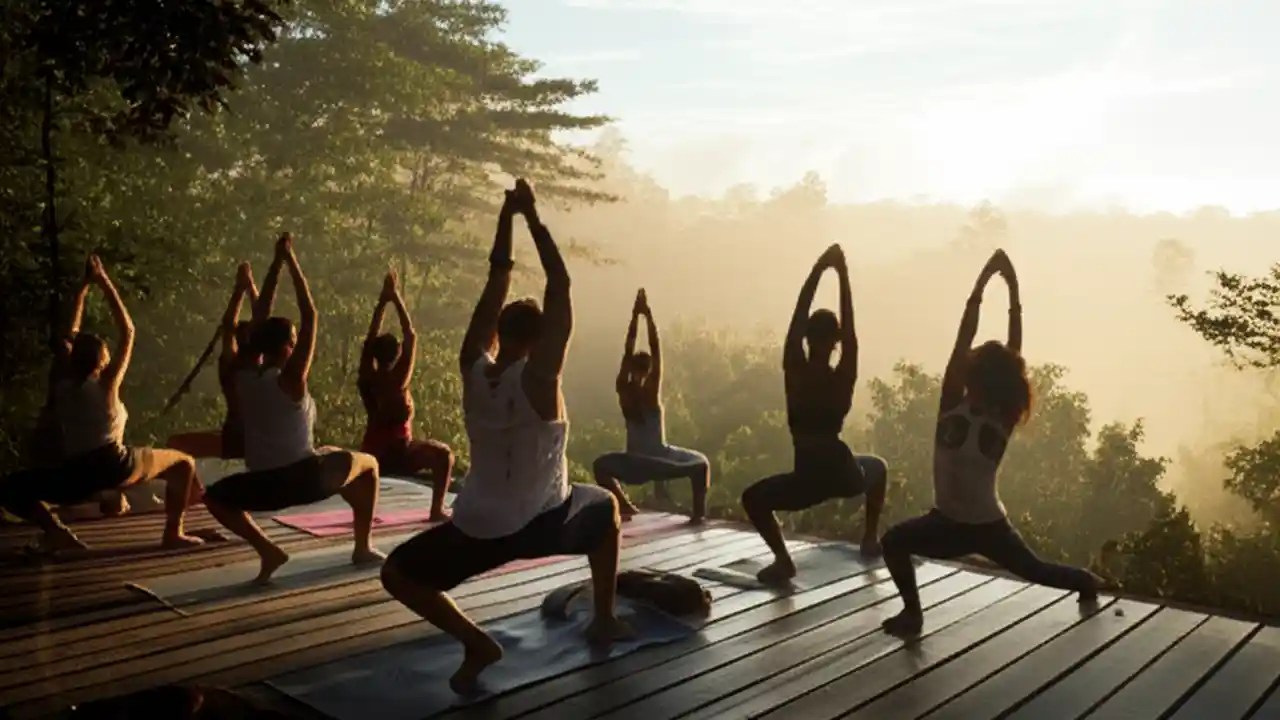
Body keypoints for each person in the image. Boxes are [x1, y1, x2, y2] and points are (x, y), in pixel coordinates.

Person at [380, 179, 630, 696]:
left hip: (478, 524)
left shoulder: (473, 369)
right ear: (540, 343)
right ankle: (604, 619)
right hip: (542, 524)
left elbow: (494, 283)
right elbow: (560, 285)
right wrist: (531, 216)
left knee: (397, 574)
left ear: (498, 333)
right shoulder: (540, 380)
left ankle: (476, 642)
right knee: (606, 507)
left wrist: (505, 217)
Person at [879, 249, 1104, 637]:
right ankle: (912, 614)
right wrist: (981, 287)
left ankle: (1086, 580)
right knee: (894, 542)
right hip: (946, 522)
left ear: (986, 381)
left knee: (1036, 570)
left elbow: (1015, 349)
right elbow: (962, 339)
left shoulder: (1003, 419)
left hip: (989, 527)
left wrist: (1013, 296)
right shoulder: (952, 403)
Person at [202, 233, 384, 582]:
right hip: (305, 480)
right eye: (295, 341)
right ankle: (362, 547)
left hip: (262, 486)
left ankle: (267, 549)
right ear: (288, 347)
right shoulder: (290, 379)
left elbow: (257, 323)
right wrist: (290, 261)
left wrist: (274, 266)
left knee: (214, 497)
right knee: (369, 465)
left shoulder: (242, 376)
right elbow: (310, 314)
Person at [0, 255, 207, 550]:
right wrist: (103, 280)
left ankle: (54, 529)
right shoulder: (106, 384)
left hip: (76, 473)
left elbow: (70, 335)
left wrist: (83, 289)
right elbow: (128, 331)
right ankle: (173, 533)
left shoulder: (61, 383)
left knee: (10, 487)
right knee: (184, 463)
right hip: (114, 465)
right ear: (102, 361)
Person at [740, 244, 888, 586]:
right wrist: (842, 274)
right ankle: (869, 538)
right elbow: (850, 332)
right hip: (841, 471)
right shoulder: (842, 376)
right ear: (835, 342)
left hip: (808, 474)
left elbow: (798, 319)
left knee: (753, 499)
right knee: (878, 468)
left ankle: (783, 560)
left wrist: (819, 270)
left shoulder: (796, 371)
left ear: (807, 339)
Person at [592, 288, 710, 523]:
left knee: (600, 466)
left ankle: (627, 505)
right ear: (646, 372)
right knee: (701, 464)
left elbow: (631, 350)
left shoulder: (626, 389)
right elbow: (653, 350)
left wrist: (637, 316)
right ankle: (697, 514)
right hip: (652, 461)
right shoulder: (646, 392)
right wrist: (646, 315)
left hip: (642, 462)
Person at [357, 270, 453, 521]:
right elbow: (410, 335)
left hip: (379, 451)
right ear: (397, 354)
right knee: (444, 455)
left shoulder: (368, 376)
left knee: (441, 454)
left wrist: (382, 302)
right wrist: (395, 297)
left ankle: (435, 510)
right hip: (392, 453)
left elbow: (369, 341)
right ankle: (436, 510)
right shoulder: (397, 381)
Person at [164, 262, 259, 461]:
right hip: (247, 437)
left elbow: (233, 326)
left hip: (240, 438)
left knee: (175, 443)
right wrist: (248, 288)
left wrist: (241, 289)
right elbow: (253, 322)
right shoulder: (259, 367)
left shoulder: (235, 366)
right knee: (176, 443)